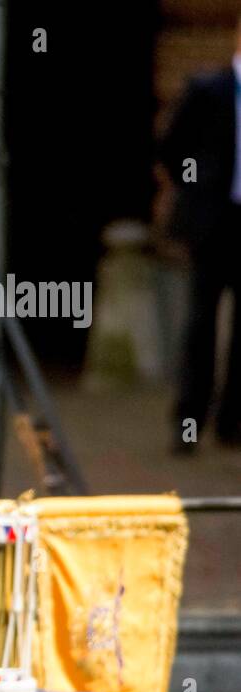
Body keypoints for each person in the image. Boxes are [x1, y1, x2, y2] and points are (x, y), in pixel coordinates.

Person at [159, 13, 241, 452]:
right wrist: (195, 191)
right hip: (214, 222)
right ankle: (187, 423)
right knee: (201, 323)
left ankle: (233, 424)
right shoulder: (208, 88)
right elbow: (171, 146)